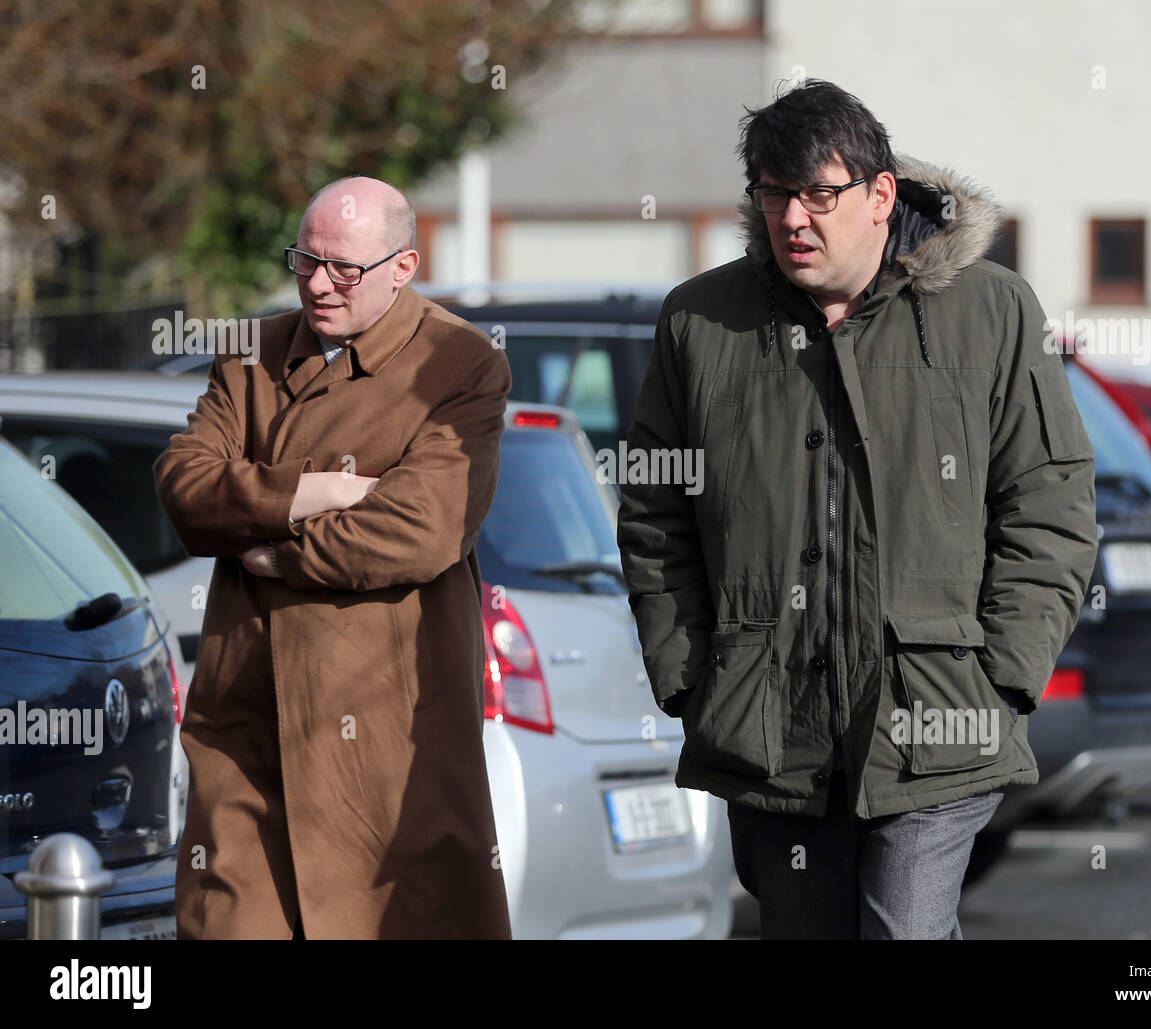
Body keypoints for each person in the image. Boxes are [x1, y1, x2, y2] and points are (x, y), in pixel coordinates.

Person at [616, 81, 1099, 939]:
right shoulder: (700, 321)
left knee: (903, 928)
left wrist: (1006, 677)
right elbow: (656, 510)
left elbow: (1049, 501)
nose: (793, 217)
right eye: (773, 194)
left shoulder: (989, 311)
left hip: (941, 709)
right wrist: (692, 678)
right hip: (766, 721)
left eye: (818, 194)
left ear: (881, 196)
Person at [154, 175, 512, 939]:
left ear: (404, 266)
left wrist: (278, 558)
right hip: (247, 733)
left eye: (344, 268)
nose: (318, 283)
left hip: (386, 746)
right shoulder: (249, 352)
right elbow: (184, 486)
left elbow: (422, 526)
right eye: (304, 260)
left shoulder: (460, 362)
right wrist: (310, 491)